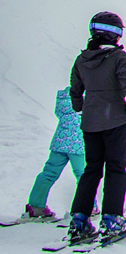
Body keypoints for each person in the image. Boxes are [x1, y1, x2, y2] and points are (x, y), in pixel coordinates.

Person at [67, 12, 126, 243]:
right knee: (116, 168)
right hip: (115, 120)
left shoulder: (82, 59)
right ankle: (112, 218)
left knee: (92, 169)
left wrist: (80, 107)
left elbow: (75, 87)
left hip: (90, 121)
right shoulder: (117, 57)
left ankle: (79, 220)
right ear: (116, 34)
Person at [25, 86, 91, 220]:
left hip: (60, 142)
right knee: (83, 175)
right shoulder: (87, 97)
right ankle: (88, 206)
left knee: (49, 173)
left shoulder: (63, 98)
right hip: (77, 144)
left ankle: (36, 206)